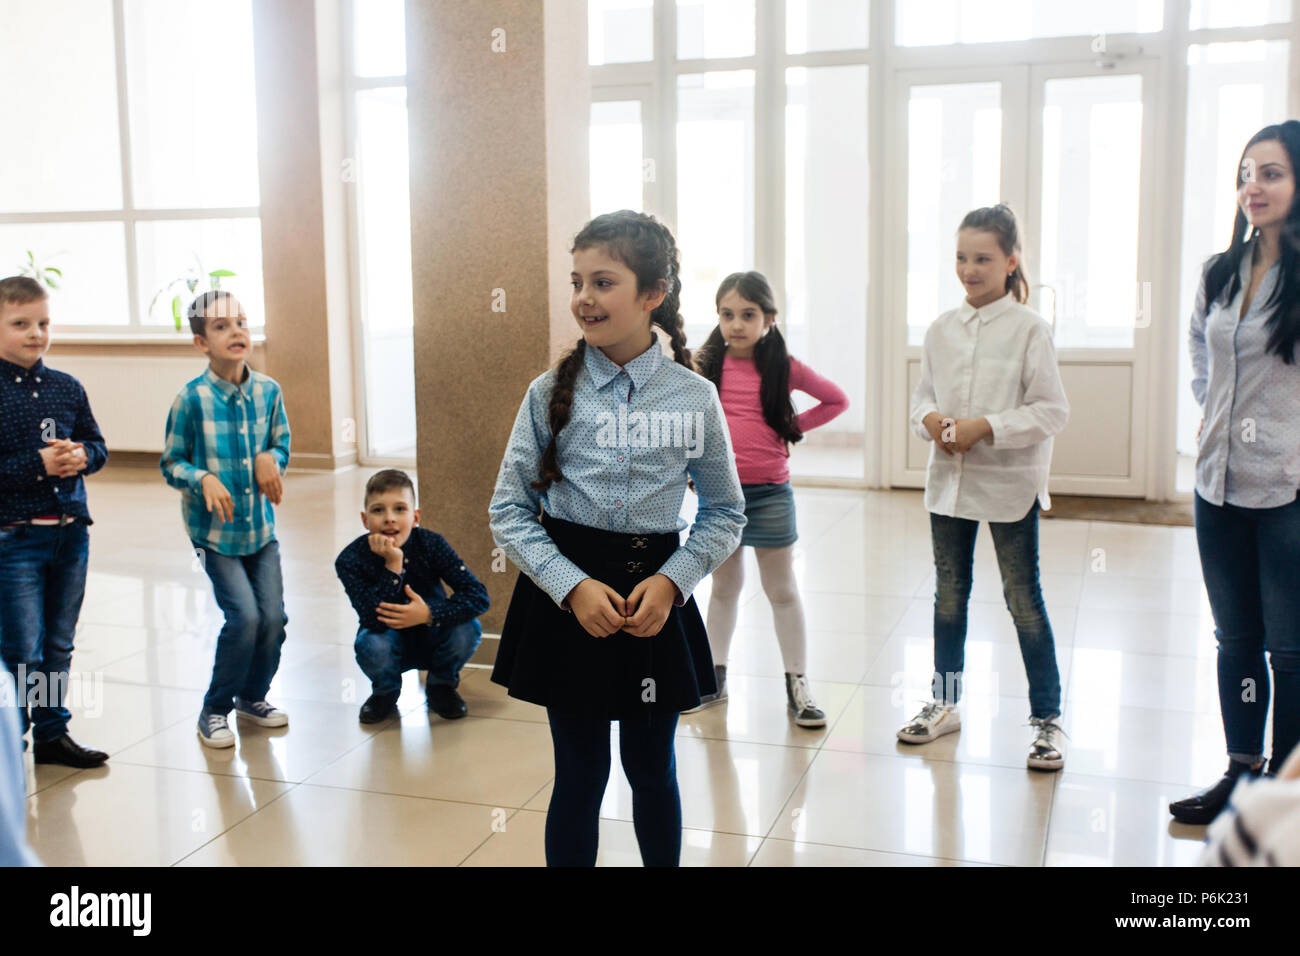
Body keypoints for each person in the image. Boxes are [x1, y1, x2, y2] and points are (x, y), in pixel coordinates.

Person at [489, 210, 746, 866]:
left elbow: (724, 512)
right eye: (577, 280)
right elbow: (510, 512)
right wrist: (570, 587)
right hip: (570, 601)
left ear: (652, 293)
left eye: (603, 282)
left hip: (654, 602)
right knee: (578, 775)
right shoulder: (548, 393)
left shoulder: (693, 398)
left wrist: (674, 581)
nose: (583, 296)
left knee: (651, 769)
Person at [899, 204, 1071, 771]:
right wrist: (930, 421)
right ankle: (944, 703)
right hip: (948, 485)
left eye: (983, 259)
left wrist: (986, 428)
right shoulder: (941, 329)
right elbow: (922, 396)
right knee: (949, 598)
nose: (969, 269)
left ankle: (1047, 719)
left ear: (1011, 261)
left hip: (1009, 487)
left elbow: (1051, 410)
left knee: (1024, 601)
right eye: (961, 258)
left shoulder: (1030, 330)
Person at [1172, 120, 1300, 826]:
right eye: (1247, 172)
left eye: (1272, 172)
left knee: (1291, 651)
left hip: (1286, 490)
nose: (1254, 185)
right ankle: (1242, 773)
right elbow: (1200, 344)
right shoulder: (1219, 272)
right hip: (1216, 484)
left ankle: (1285, 792)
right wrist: (1209, 404)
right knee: (1237, 642)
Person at [687, 271, 848, 726]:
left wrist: (791, 428)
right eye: (727, 314)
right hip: (721, 499)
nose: (736, 325)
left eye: (748, 315)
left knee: (781, 590)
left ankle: (797, 683)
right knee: (724, 588)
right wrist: (688, 468)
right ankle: (712, 678)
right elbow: (683, 420)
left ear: (769, 319)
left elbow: (835, 401)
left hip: (771, 494)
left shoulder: (784, 366)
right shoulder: (703, 365)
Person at [160, 291, 292, 749]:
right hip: (213, 536)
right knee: (244, 620)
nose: (237, 331)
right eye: (221, 326)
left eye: (241, 322)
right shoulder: (191, 400)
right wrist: (202, 478)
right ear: (201, 343)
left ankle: (252, 698)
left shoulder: (269, 392)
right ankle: (214, 709)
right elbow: (171, 463)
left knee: (273, 618)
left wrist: (269, 459)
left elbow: (282, 447)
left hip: (261, 531)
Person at [0, 275, 109, 769]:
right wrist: (36, 465)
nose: (35, 333)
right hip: (14, 539)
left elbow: (98, 445)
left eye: (43, 323)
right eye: (20, 323)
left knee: (59, 641)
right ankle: (11, 738)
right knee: (22, 644)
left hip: (69, 535)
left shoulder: (67, 387)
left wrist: (83, 455)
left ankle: (50, 734)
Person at [335, 468, 488, 722]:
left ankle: (441, 686)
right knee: (370, 643)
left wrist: (429, 613)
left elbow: (478, 596)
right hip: (386, 639)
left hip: (433, 633)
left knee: (468, 629)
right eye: (378, 510)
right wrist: (393, 566)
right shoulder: (350, 559)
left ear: (415, 516)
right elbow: (372, 619)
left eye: (399, 509)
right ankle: (385, 692)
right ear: (365, 520)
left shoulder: (431, 544)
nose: (389, 519)